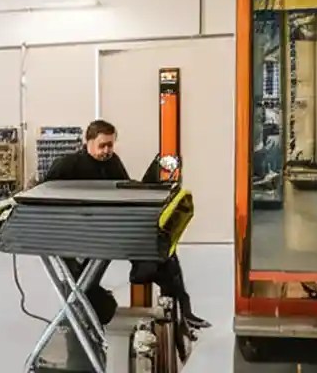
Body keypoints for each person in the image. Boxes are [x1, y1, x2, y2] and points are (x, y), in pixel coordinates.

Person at [43, 120, 210, 331]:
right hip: (81, 234)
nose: (107, 150)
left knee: (165, 251)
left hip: (111, 228)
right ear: (88, 142)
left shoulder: (112, 162)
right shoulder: (67, 165)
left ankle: (182, 311)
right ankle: (90, 313)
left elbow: (127, 190)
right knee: (85, 286)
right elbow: (44, 193)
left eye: (110, 145)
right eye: (102, 145)